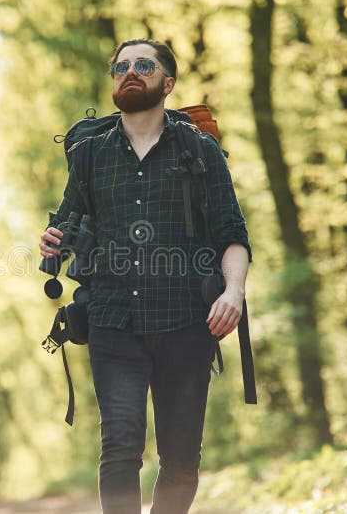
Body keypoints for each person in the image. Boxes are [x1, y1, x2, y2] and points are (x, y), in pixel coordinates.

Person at [39, 38, 251, 514]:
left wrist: (234, 292)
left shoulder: (201, 152)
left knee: (180, 462)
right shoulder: (89, 156)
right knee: (120, 446)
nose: (129, 72)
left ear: (167, 83)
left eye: (143, 65)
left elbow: (232, 235)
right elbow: (66, 223)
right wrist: (52, 239)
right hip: (114, 323)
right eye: (121, 66)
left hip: (187, 324)